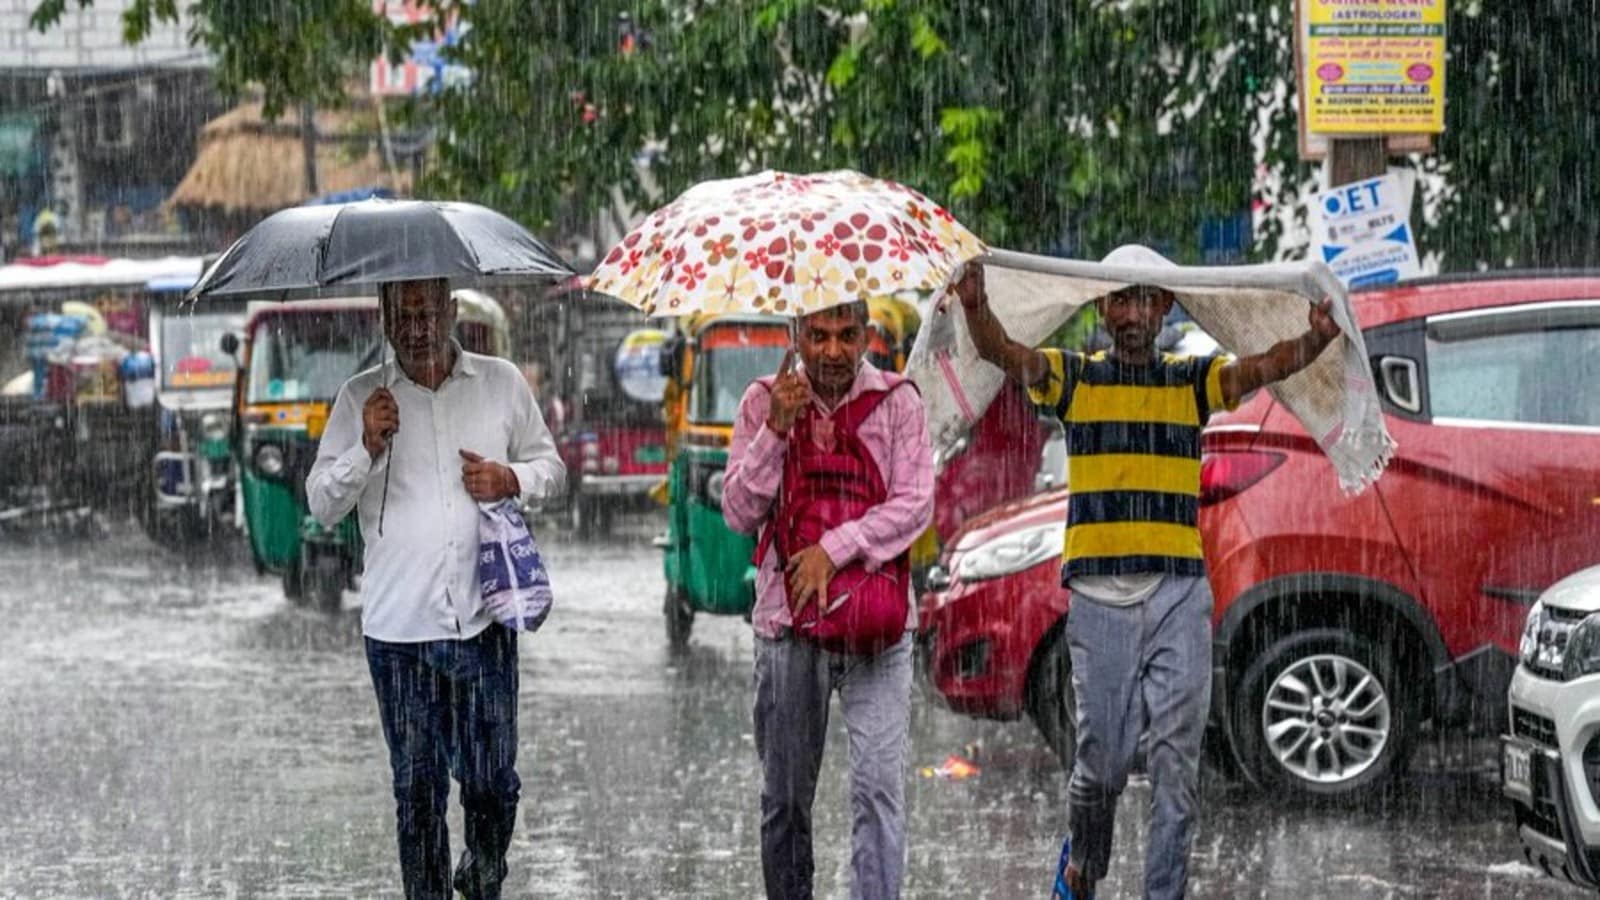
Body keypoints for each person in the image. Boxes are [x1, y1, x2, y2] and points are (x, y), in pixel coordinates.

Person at [954, 263, 1338, 899]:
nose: (1132, 317)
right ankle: (1085, 865)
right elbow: (1003, 352)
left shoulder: (1192, 382)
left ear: (1164, 309)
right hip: (1099, 598)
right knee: (1101, 768)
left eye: (1144, 302)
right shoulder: (1073, 378)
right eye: (1119, 304)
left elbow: (1263, 366)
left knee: (1175, 773)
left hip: (1177, 594)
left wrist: (1316, 340)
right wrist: (975, 307)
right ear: (1102, 312)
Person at [307, 277, 565, 900]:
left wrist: (511, 478)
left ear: (452, 310)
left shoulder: (501, 383)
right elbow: (321, 505)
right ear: (384, 318)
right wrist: (365, 447)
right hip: (398, 635)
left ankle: (481, 875)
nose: (417, 325)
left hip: (484, 624)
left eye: (428, 311)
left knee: (493, 782)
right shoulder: (359, 397)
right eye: (404, 313)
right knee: (416, 789)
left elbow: (552, 469)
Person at [721, 301, 935, 900]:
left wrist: (833, 550)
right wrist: (775, 433)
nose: (833, 351)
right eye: (817, 336)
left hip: (882, 627)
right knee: (786, 796)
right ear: (795, 335)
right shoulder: (762, 400)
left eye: (847, 335)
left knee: (877, 790)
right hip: (788, 628)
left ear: (866, 334)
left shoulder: (899, 402)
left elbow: (916, 503)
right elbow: (739, 513)